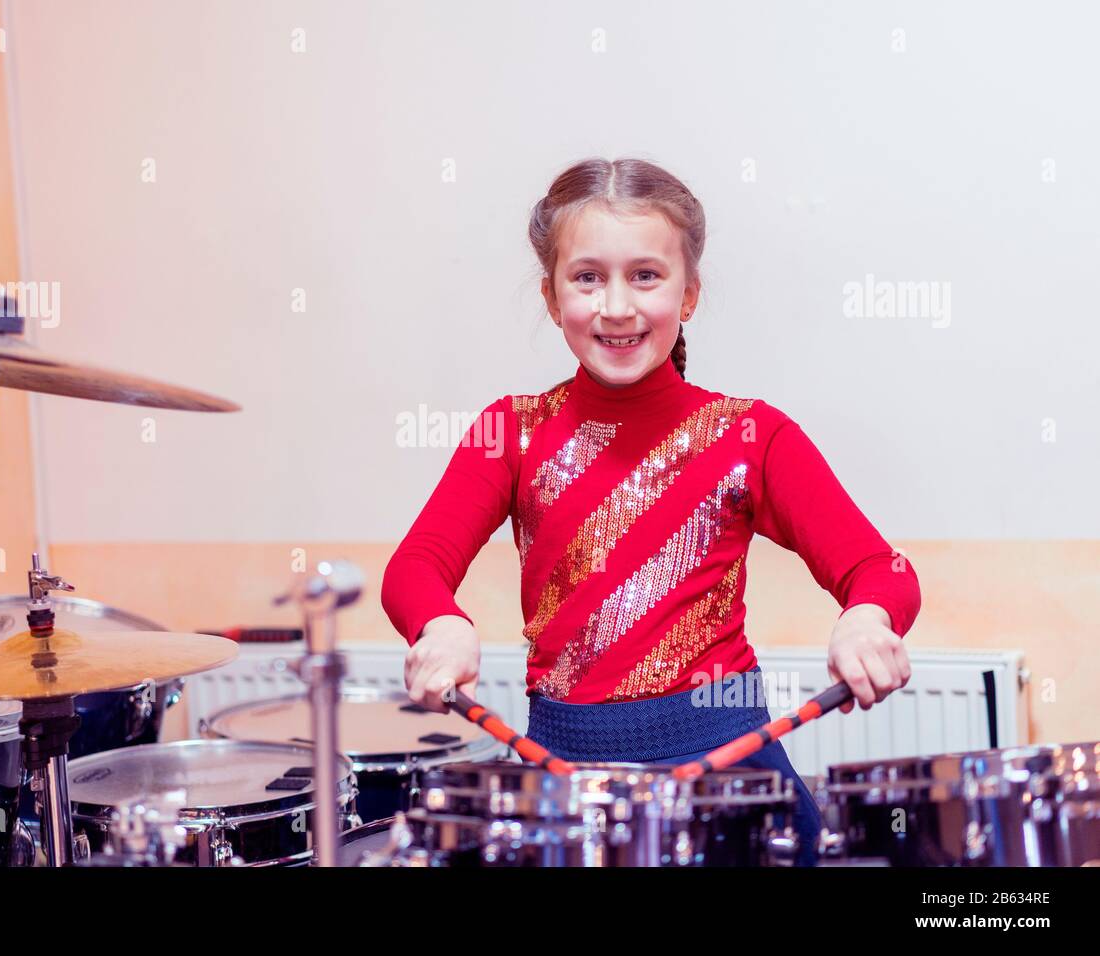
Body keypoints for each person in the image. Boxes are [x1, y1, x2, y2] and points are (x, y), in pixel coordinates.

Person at [381, 157, 921, 866]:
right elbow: (415, 566)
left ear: (688, 293)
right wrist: (441, 622)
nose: (615, 306)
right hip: (567, 785)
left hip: (729, 778)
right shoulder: (508, 431)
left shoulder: (751, 434)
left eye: (645, 275)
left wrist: (867, 617)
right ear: (551, 297)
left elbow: (881, 569)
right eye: (586, 277)